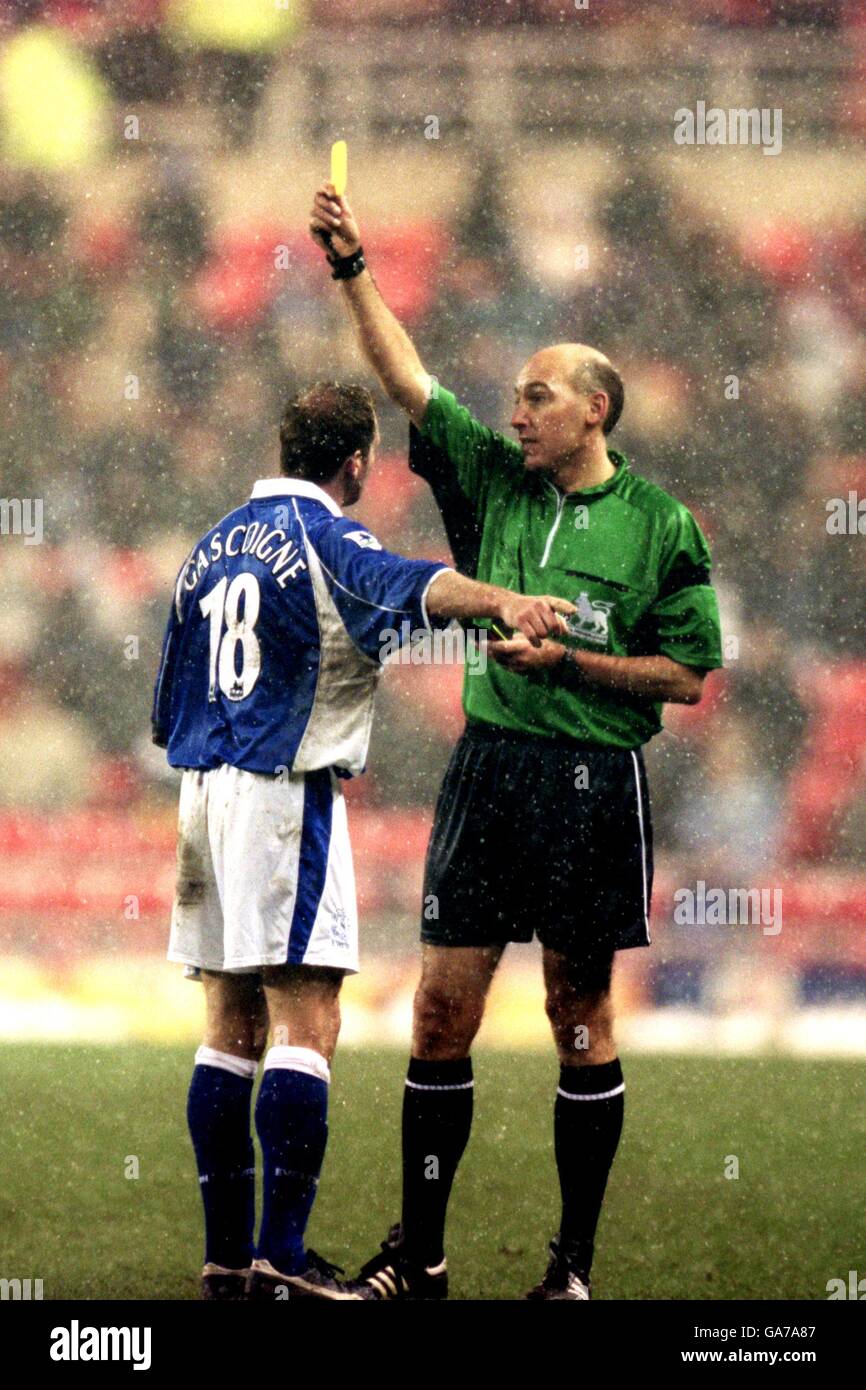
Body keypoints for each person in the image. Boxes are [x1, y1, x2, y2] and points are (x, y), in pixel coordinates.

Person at [308, 183, 724, 1300]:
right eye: (514, 396)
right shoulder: (490, 476)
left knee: (575, 1013)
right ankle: (423, 1258)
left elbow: (684, 674)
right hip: (487, 769)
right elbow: (406, 378)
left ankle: (571, 1268)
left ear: (596, 409)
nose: (516, 410)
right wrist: (353, 266)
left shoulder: (659, 525)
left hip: (590, 781)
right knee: (442, 1005)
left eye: (536, 396)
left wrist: (575, 666)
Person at [152, 380, 574, 1301]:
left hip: (201, 793)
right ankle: (279, 1257)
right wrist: (506, 600)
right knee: (309, 1022)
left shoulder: (208, 547)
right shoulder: (331, 538)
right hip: (282, 795)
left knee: (227, 1026)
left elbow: (167, 705)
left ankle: (224, 1261)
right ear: (357, 462)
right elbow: (418, 585)